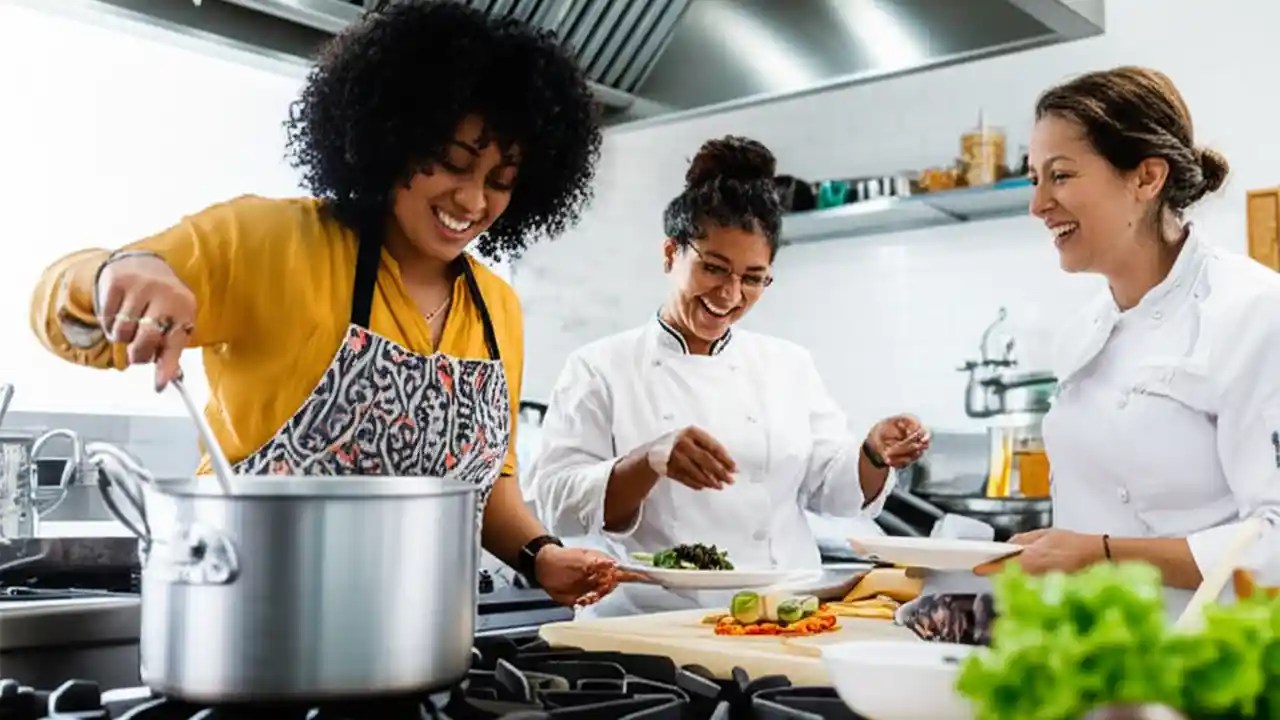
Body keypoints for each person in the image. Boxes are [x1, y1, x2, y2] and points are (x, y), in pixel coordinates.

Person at [28, 0, 628, 608]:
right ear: (395, 135)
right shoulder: (273, 243)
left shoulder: (496, 307)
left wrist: (541, 555)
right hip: (254, 616)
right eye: (453, 163)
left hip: (424, 630)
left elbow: (488, 488)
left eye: (500, 182)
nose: (473, 201)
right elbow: (65, 315)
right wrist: (113, 277)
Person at [522, 135, 931, 617]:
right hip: (651, 621)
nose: (730, 294)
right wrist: (649, 460)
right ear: (671, 254)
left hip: (782, 613)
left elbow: (836, 492)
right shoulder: (600, 367)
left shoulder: (788, 364)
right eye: (714, 269)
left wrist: (873, 452)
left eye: (753, 278)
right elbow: (558, 503)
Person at [975, 66, 1280, 612]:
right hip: (1091, 644)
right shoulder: (1083, 332)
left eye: (1060, 175)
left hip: (1209, 648)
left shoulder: (1254, 312)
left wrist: (1103, 556)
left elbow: (1274, 540)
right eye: (1034, 178)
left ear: (1146, 178)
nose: (1037, 204)